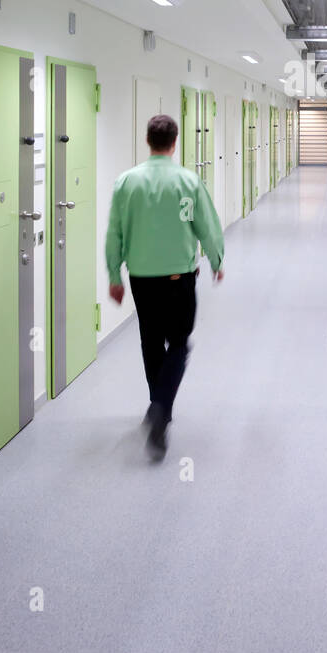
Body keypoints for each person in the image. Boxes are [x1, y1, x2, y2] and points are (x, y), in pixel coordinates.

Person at [105, 113, 225, 460]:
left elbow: (115, 233)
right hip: (179, 279)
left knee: (151, 341)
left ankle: (157, 404)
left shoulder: (126, 183)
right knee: (180, 343)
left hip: (141, 279)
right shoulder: (188, 181)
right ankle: (161, 407)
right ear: (174, 143)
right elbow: (207, 224)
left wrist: (114, 276)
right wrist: (216, 260)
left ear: (148, 141)